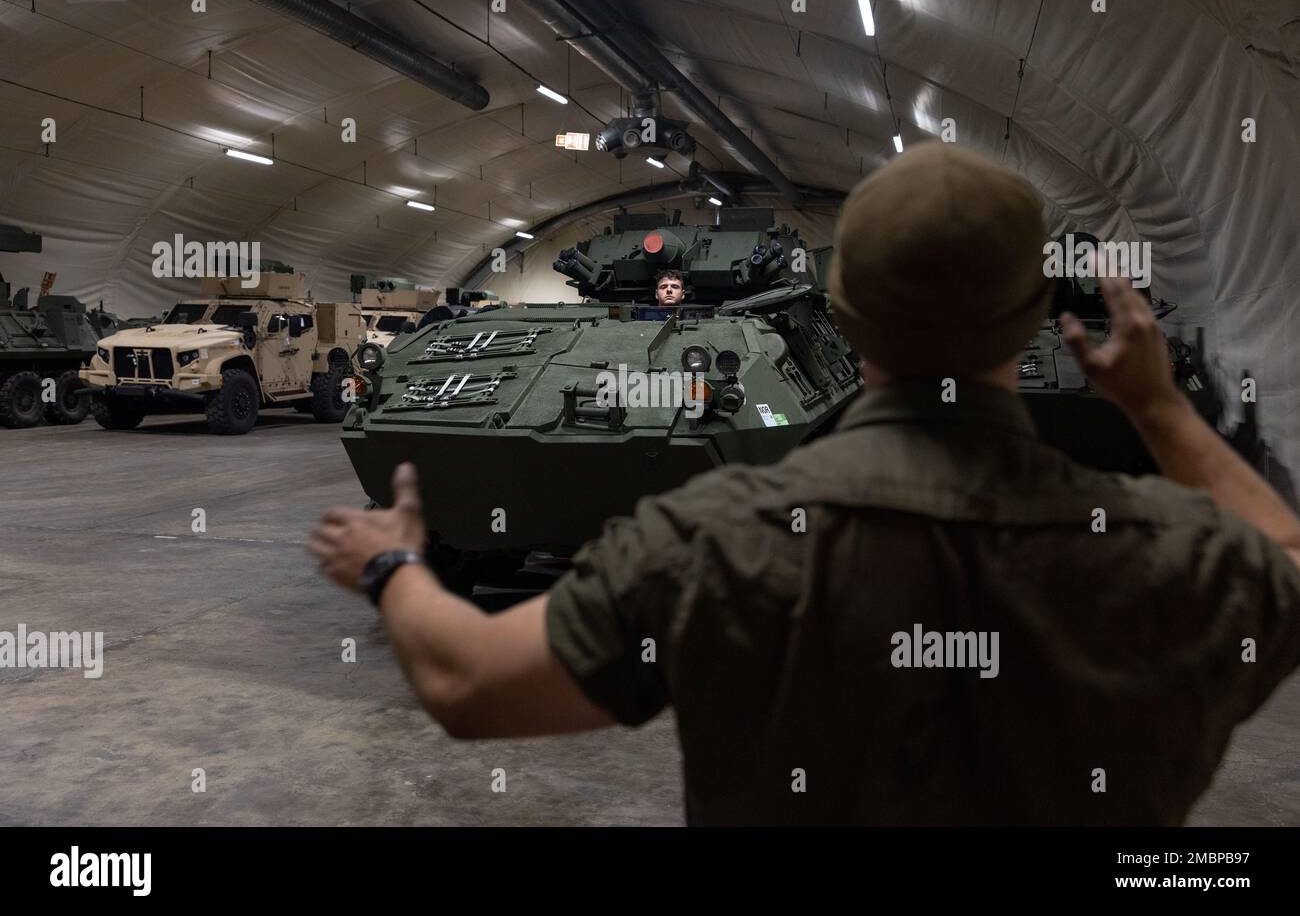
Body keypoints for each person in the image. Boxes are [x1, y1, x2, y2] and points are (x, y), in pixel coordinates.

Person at [309, 142, 1300, 825]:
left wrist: (392, 560)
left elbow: (469, 681)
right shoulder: (1161, 549)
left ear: (841, 319)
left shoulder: (711, 538)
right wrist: (1161, 411)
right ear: (1038, 314)